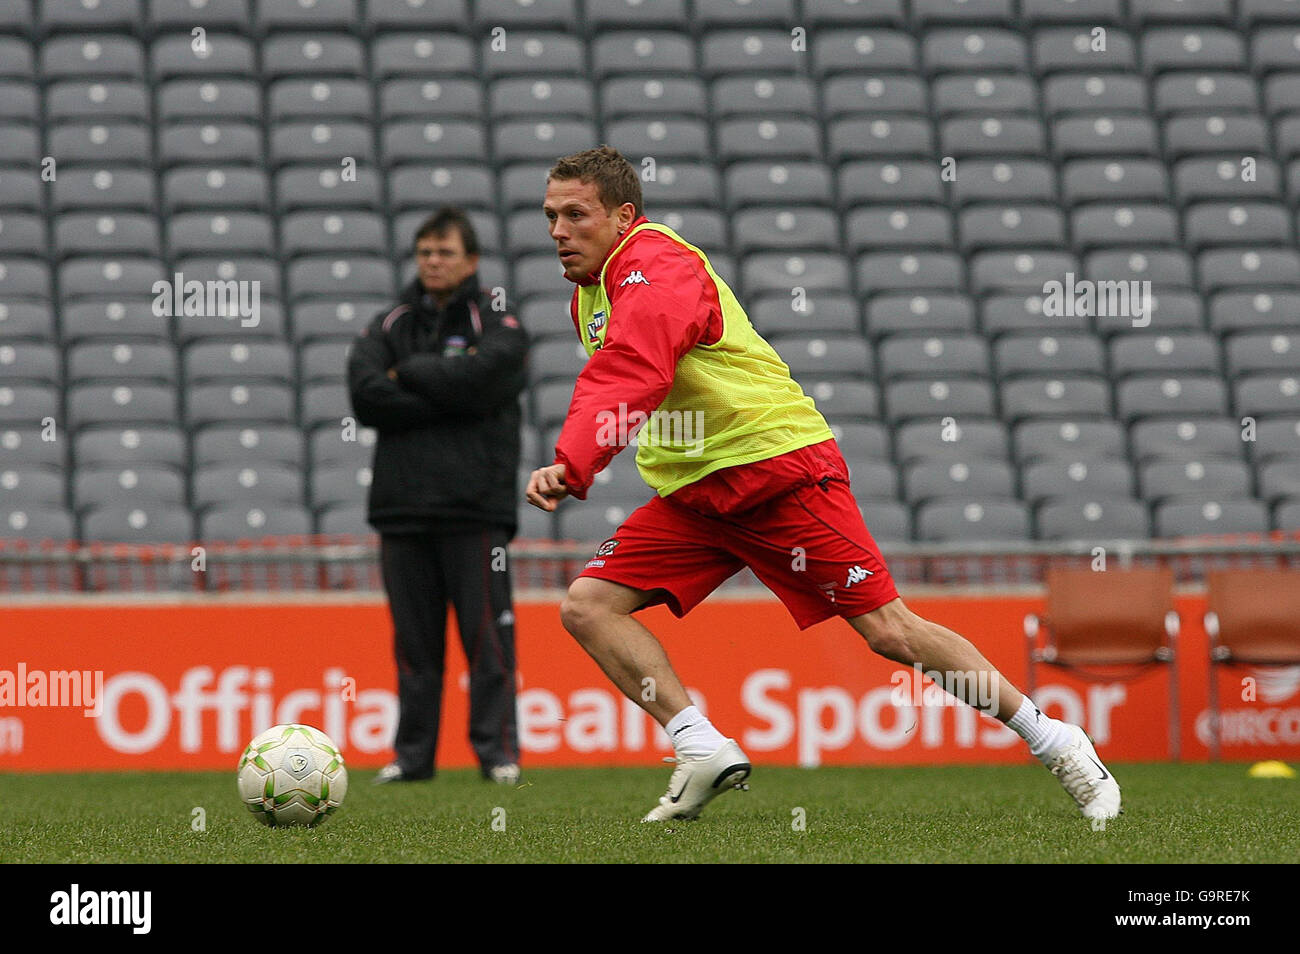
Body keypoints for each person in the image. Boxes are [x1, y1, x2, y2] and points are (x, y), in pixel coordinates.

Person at [525, 146, 1122, 823]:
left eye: (576, 214)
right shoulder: (591, 295)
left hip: (773, 470)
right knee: (589, 605)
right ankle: (701, 747)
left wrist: (575, 460)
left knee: (891, 632)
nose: (558, 231)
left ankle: (1057, 740)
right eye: (550, 216)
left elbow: (637, 368)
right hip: (698, 495)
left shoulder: (656, 262)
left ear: (624, 217)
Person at [348, 207, 528, 785]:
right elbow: (366, 395)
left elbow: (494, 375)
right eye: (425, 252)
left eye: (445, 252)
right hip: (402, 510)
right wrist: (455, 387)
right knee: (415, 649)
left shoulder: (495, 317)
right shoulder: (390, 322)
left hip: (475, 509)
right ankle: (413, 757)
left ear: (471, 260)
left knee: (488, 643)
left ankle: (497, 754)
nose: (433, 262)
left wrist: (414, 375)